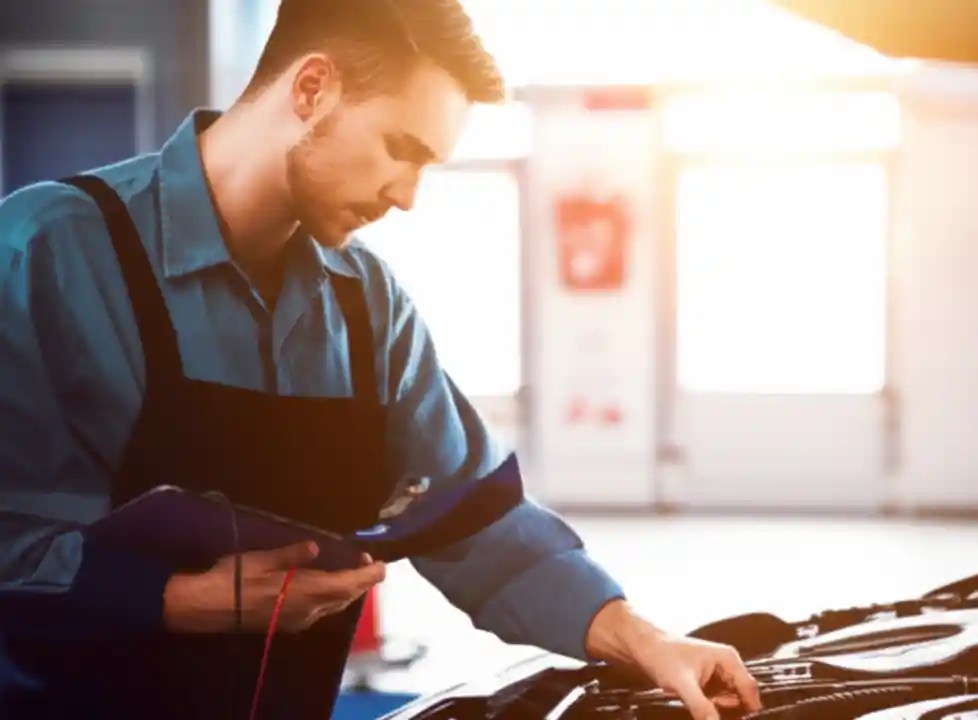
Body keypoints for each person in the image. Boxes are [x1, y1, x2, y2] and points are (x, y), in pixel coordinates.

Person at [0, 1, 763, 717]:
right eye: (402, 149)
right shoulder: (47, 249)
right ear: (312, 87)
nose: (408, 197)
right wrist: (185, 599)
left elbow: (476, 522)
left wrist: (648, 641)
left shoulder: (367, 305)